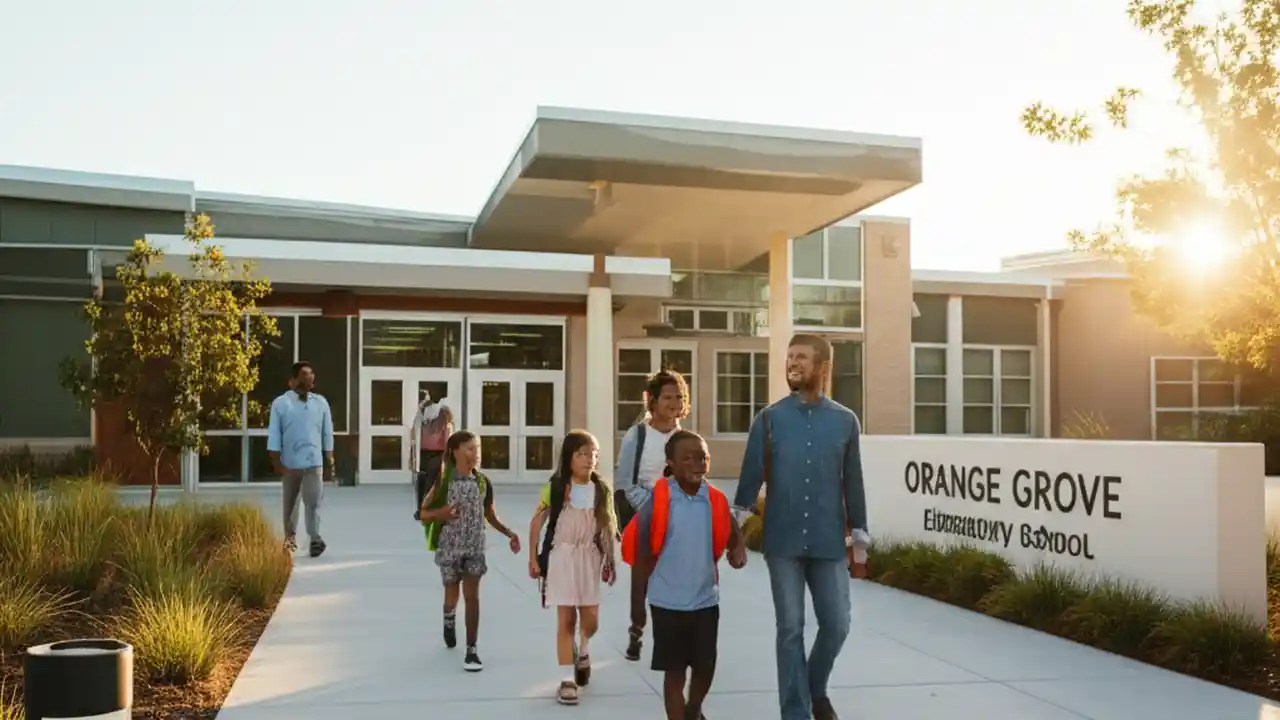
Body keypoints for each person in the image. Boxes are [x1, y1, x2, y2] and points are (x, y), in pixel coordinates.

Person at [733, 334, 869, 720]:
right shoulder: (770, 419)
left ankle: (814, 687)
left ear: (823, 367)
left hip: (828, 542)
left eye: (802, 358)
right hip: (783, 543)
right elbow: (748, 482)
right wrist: (734, 534)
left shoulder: (845, 422)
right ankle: (795, 712)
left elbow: (853, 482)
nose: (793, 363)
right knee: (790, 629)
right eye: (789, 356)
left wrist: (859, 542)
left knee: (838, 624)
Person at [621, 430, 747, 720]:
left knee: (705, 666)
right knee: (674, 672)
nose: (697, 463)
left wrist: (737, 547)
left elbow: (731, 526)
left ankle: (694, 708)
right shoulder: (660, 501)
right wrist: (637, 608)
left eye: (702, 457)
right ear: (671, 464)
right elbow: (641, 556)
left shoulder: (713, 498)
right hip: (667, 603)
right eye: (687, 458)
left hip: (705, 600)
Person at [527, 430, 618, 706]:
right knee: (565, 620)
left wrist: (610, 559)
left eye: (593, 454)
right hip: (562, 557)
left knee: (590, 621)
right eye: (582, 454)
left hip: (589, 558)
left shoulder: (601, 490)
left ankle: (584, 649)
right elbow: (536, 523)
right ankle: (567, 678)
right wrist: (533, 558)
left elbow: (608, 525)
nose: (589, 459)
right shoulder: (556, 487)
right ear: (568, 458)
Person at [420, 430, 521, 672]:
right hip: (450, 547)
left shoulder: (482, 482)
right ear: (454, 451)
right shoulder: (443, 480)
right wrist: (441, 513)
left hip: (475, 547)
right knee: (451, 595)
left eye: (477, 448)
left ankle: (472, 650)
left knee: (472, 596)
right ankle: (448, 618)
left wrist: (509, 533)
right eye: (469, 448)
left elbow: (490, 514)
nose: (476, 454)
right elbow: (423, 514)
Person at [613, 369, 689, 661]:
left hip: (678, 515)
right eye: (667, 397)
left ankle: (671, 636)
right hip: (644, 511)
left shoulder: (685, 437)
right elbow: (626, 482)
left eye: (679, 397)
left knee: (677, 576)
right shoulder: (639, 434)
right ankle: (636, 631)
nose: (674, 403)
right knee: (642, 577)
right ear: (653, 401)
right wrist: (654, 510)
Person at [267, 361, 334, 558]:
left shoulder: (320, 403)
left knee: (313, 502)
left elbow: (327, 432)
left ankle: (315, 539)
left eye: (311, 374)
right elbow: (274, 434)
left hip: (314, 462)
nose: (309, 378)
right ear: (293, 381)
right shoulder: (281, 403)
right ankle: (290, 540)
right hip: (290, 463)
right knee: (291, 504)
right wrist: (276, 459)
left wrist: (329, 457)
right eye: (304, 375)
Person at [411, 390, 453, 520]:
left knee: (424, 481)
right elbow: (447, 438)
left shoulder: (422, 415)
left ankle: (422, 509)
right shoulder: (442, 417)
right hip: (434, 453)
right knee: (430, 481)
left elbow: (414, 434)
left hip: (427, 452)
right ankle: (426, 508)